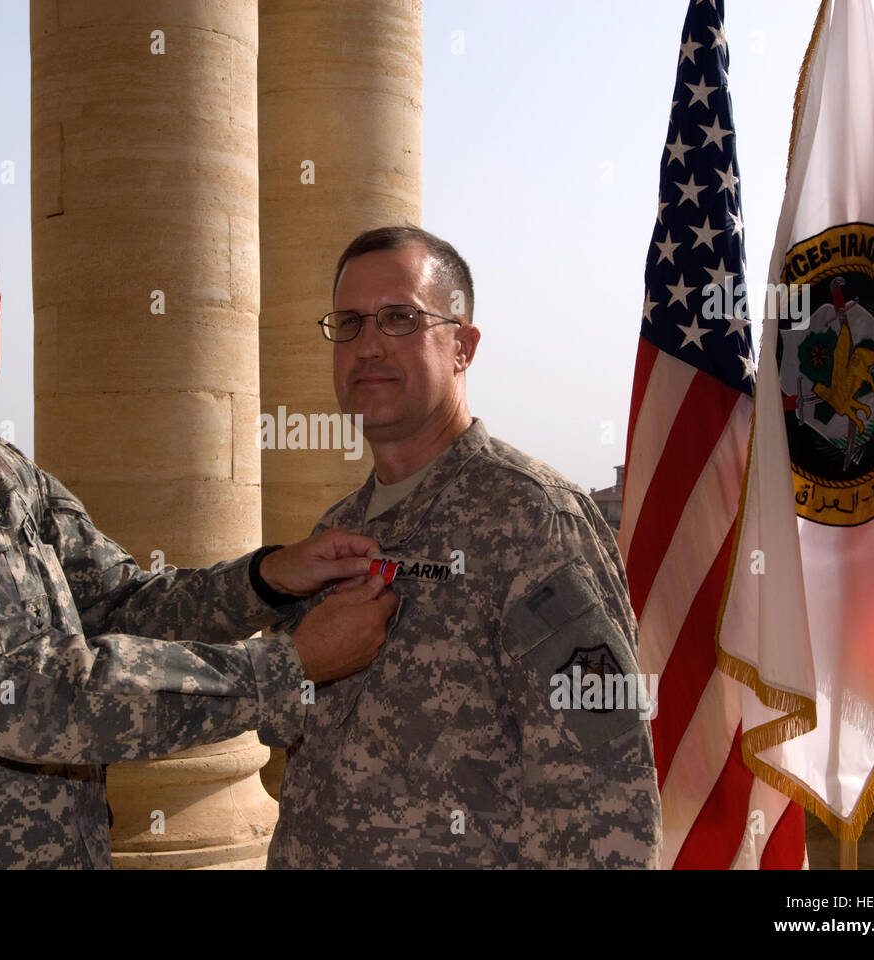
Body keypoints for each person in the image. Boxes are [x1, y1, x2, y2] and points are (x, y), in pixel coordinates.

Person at [0, 193, 397, 869]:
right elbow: (33, 697)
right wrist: (288, 668)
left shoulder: (6, 475)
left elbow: (123, 604)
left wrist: (267, 577)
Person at [266, 226, 662, 868]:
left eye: (399, 318)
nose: (367, 345)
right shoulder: (335, 535)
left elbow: (605, 797)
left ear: (462, 347)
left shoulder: (533, 519)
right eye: (348, 322)